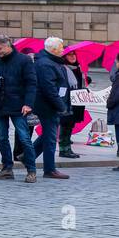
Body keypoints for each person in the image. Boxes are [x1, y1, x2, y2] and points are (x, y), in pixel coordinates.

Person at [0, 34, 38, 181]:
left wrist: (28, 104)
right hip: (0, 104)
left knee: (24, 138)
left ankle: (31, 170)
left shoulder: (24, 60)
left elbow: (31, 83)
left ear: (8, 45)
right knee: (2, 138)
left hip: (19, 105)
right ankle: (7, 168)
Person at [31, 37, 72, 180]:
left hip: (51, 104)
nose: (63, 50)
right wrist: (61, 106)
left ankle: (27, 155)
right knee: (50, 138)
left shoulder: (51, 61)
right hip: (47, 105)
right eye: (61, 47)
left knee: (48, 135)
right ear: (53, 50)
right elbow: (49, 89)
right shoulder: (45, 64)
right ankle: (49, 169)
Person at [59, 49, 89, 160]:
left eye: (74, 54)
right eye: (69, 55)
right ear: (65, 57)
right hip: (67, 101)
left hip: (77, 102)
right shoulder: (63, 68)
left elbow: (81, 84)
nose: (72, 57)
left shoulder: (78, 68)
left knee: (71, 125)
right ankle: (63, 149)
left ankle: (68, 148)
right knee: (65, 124)